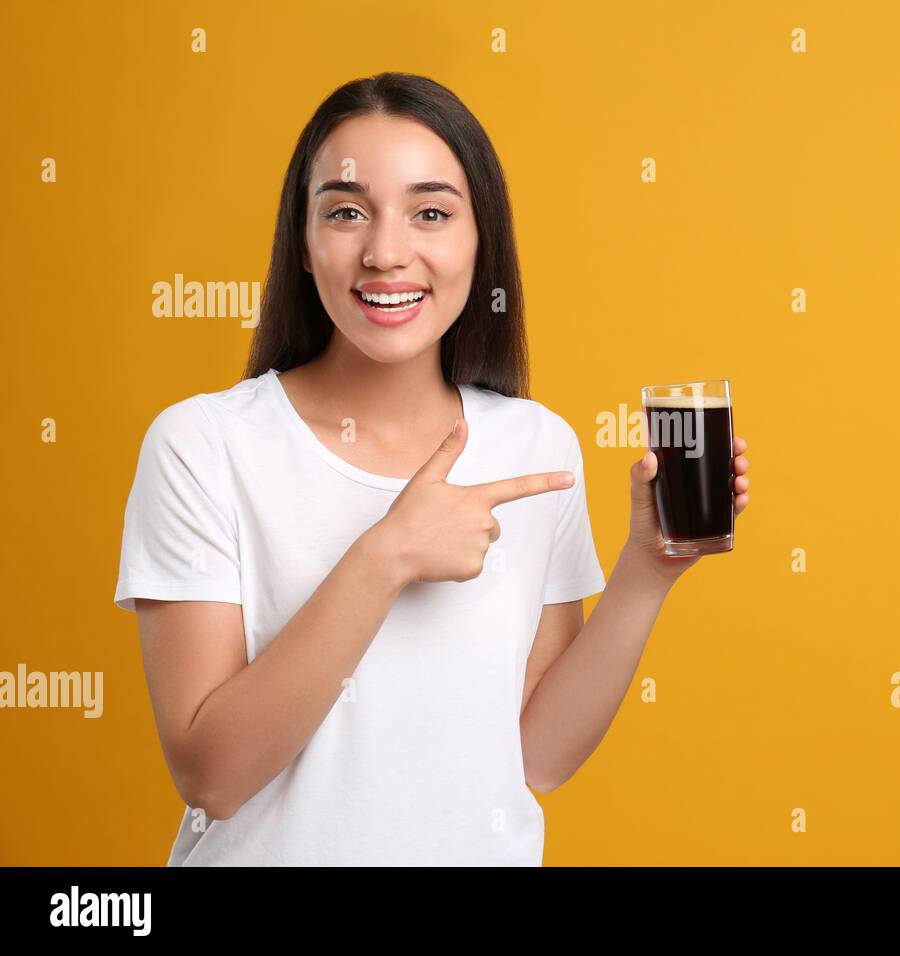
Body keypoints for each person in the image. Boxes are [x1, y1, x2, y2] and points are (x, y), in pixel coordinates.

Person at [112, 72, 752, 865]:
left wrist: (648, 572)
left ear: (480, 245)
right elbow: (211, 775)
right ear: (303, 247)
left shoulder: (535, 447)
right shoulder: (202, 446)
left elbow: (538, 757)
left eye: (432, 213)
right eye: (346, 211)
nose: (386, 252)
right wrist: (387, 556)